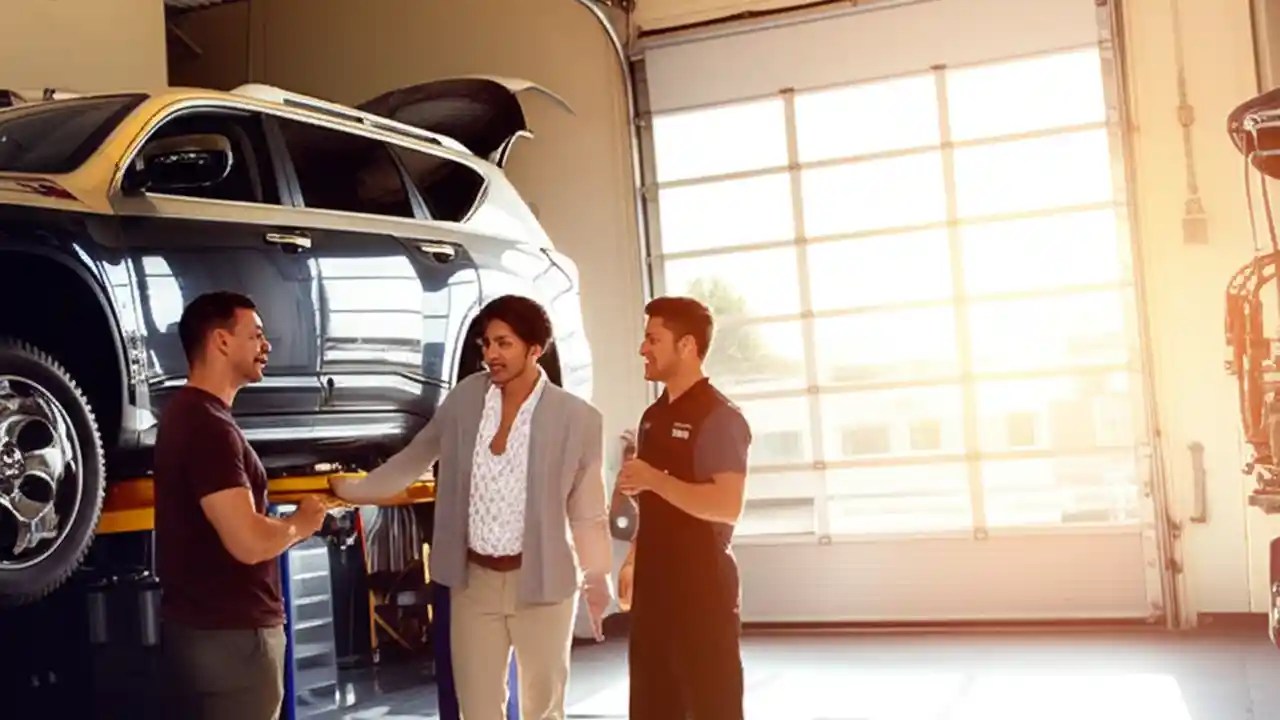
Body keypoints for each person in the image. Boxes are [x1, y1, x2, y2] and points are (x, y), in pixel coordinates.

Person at [332, 294, 613, 720]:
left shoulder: (578, 418)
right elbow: (416, 456)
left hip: (543, 583)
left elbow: (588, 509)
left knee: (543, 710)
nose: (491, 354)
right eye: (486, 344)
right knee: (478, 709)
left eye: (504, 343)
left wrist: (598, 578)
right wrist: (356, 489)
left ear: (534, 349)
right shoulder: (466, 399)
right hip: (473, 583)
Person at [154, 291, 329, 720]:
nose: (267, 346)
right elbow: (247, 542)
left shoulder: (184, 416)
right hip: (233, 640)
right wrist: (301, 524)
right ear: (221, 341)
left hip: (203, 633)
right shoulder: (209, 428)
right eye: (256, 335)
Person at [617, 295, 753, 720]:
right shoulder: (652, 416)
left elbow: (728, 505)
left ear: (687, 346)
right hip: (654, 588)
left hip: (702, 590)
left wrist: (654, 478)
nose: (643, 349)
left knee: (711, 705)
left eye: (653, 339)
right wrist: (633, 561)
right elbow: (653, 506)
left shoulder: (721, 417)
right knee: (653, 705)